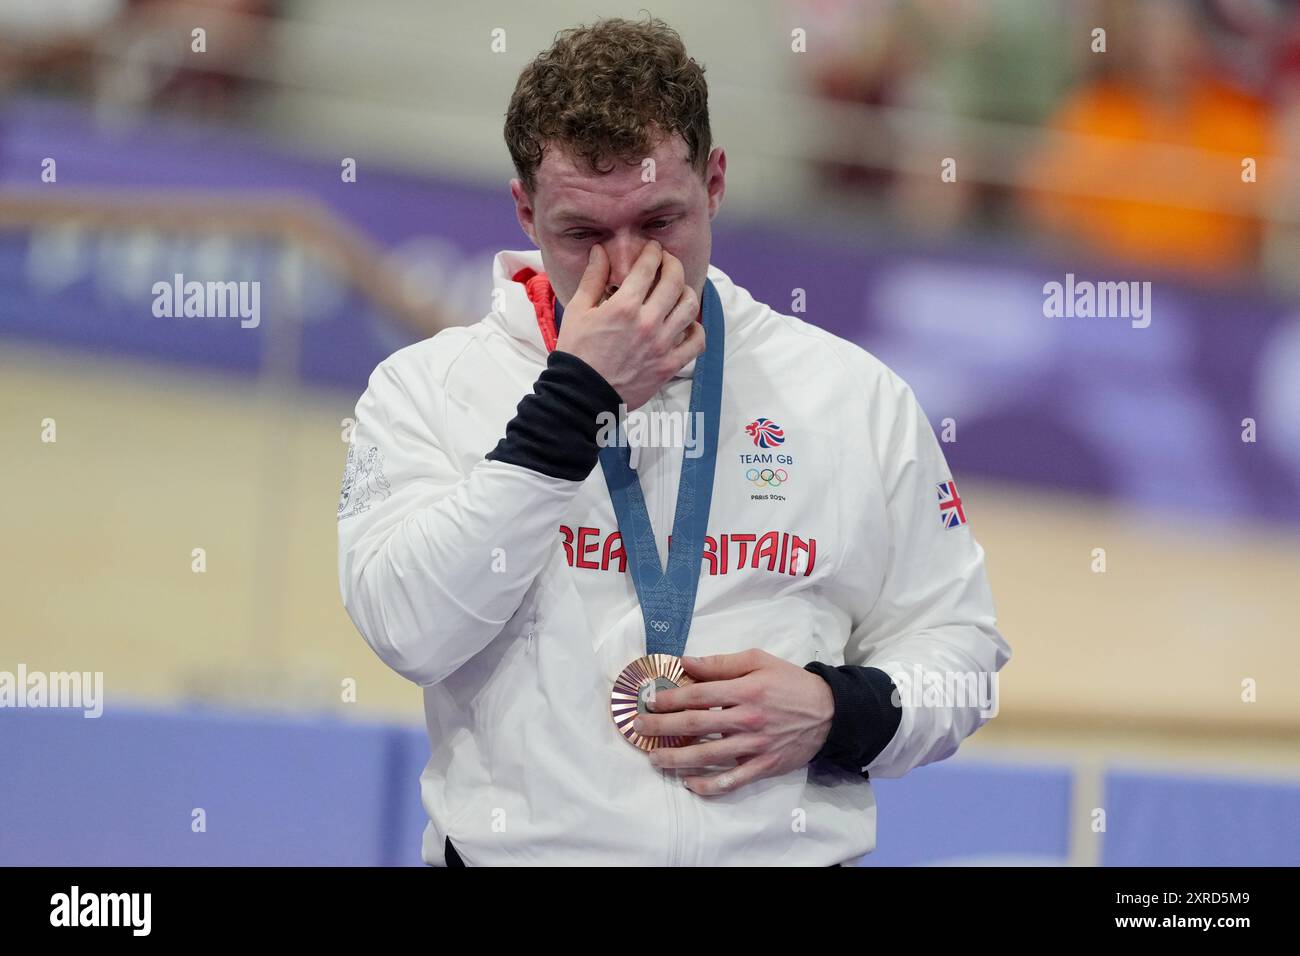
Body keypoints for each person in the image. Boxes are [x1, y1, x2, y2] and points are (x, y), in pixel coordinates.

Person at [337, 16, 1010, 866]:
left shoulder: (850, 395)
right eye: (582, 234)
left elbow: (961, 655)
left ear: (715, 183)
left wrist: (841, 712)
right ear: (525, 209)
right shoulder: (425, 392)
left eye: (659, 221)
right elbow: (409, 629)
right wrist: (573, 402)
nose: (625, 269)